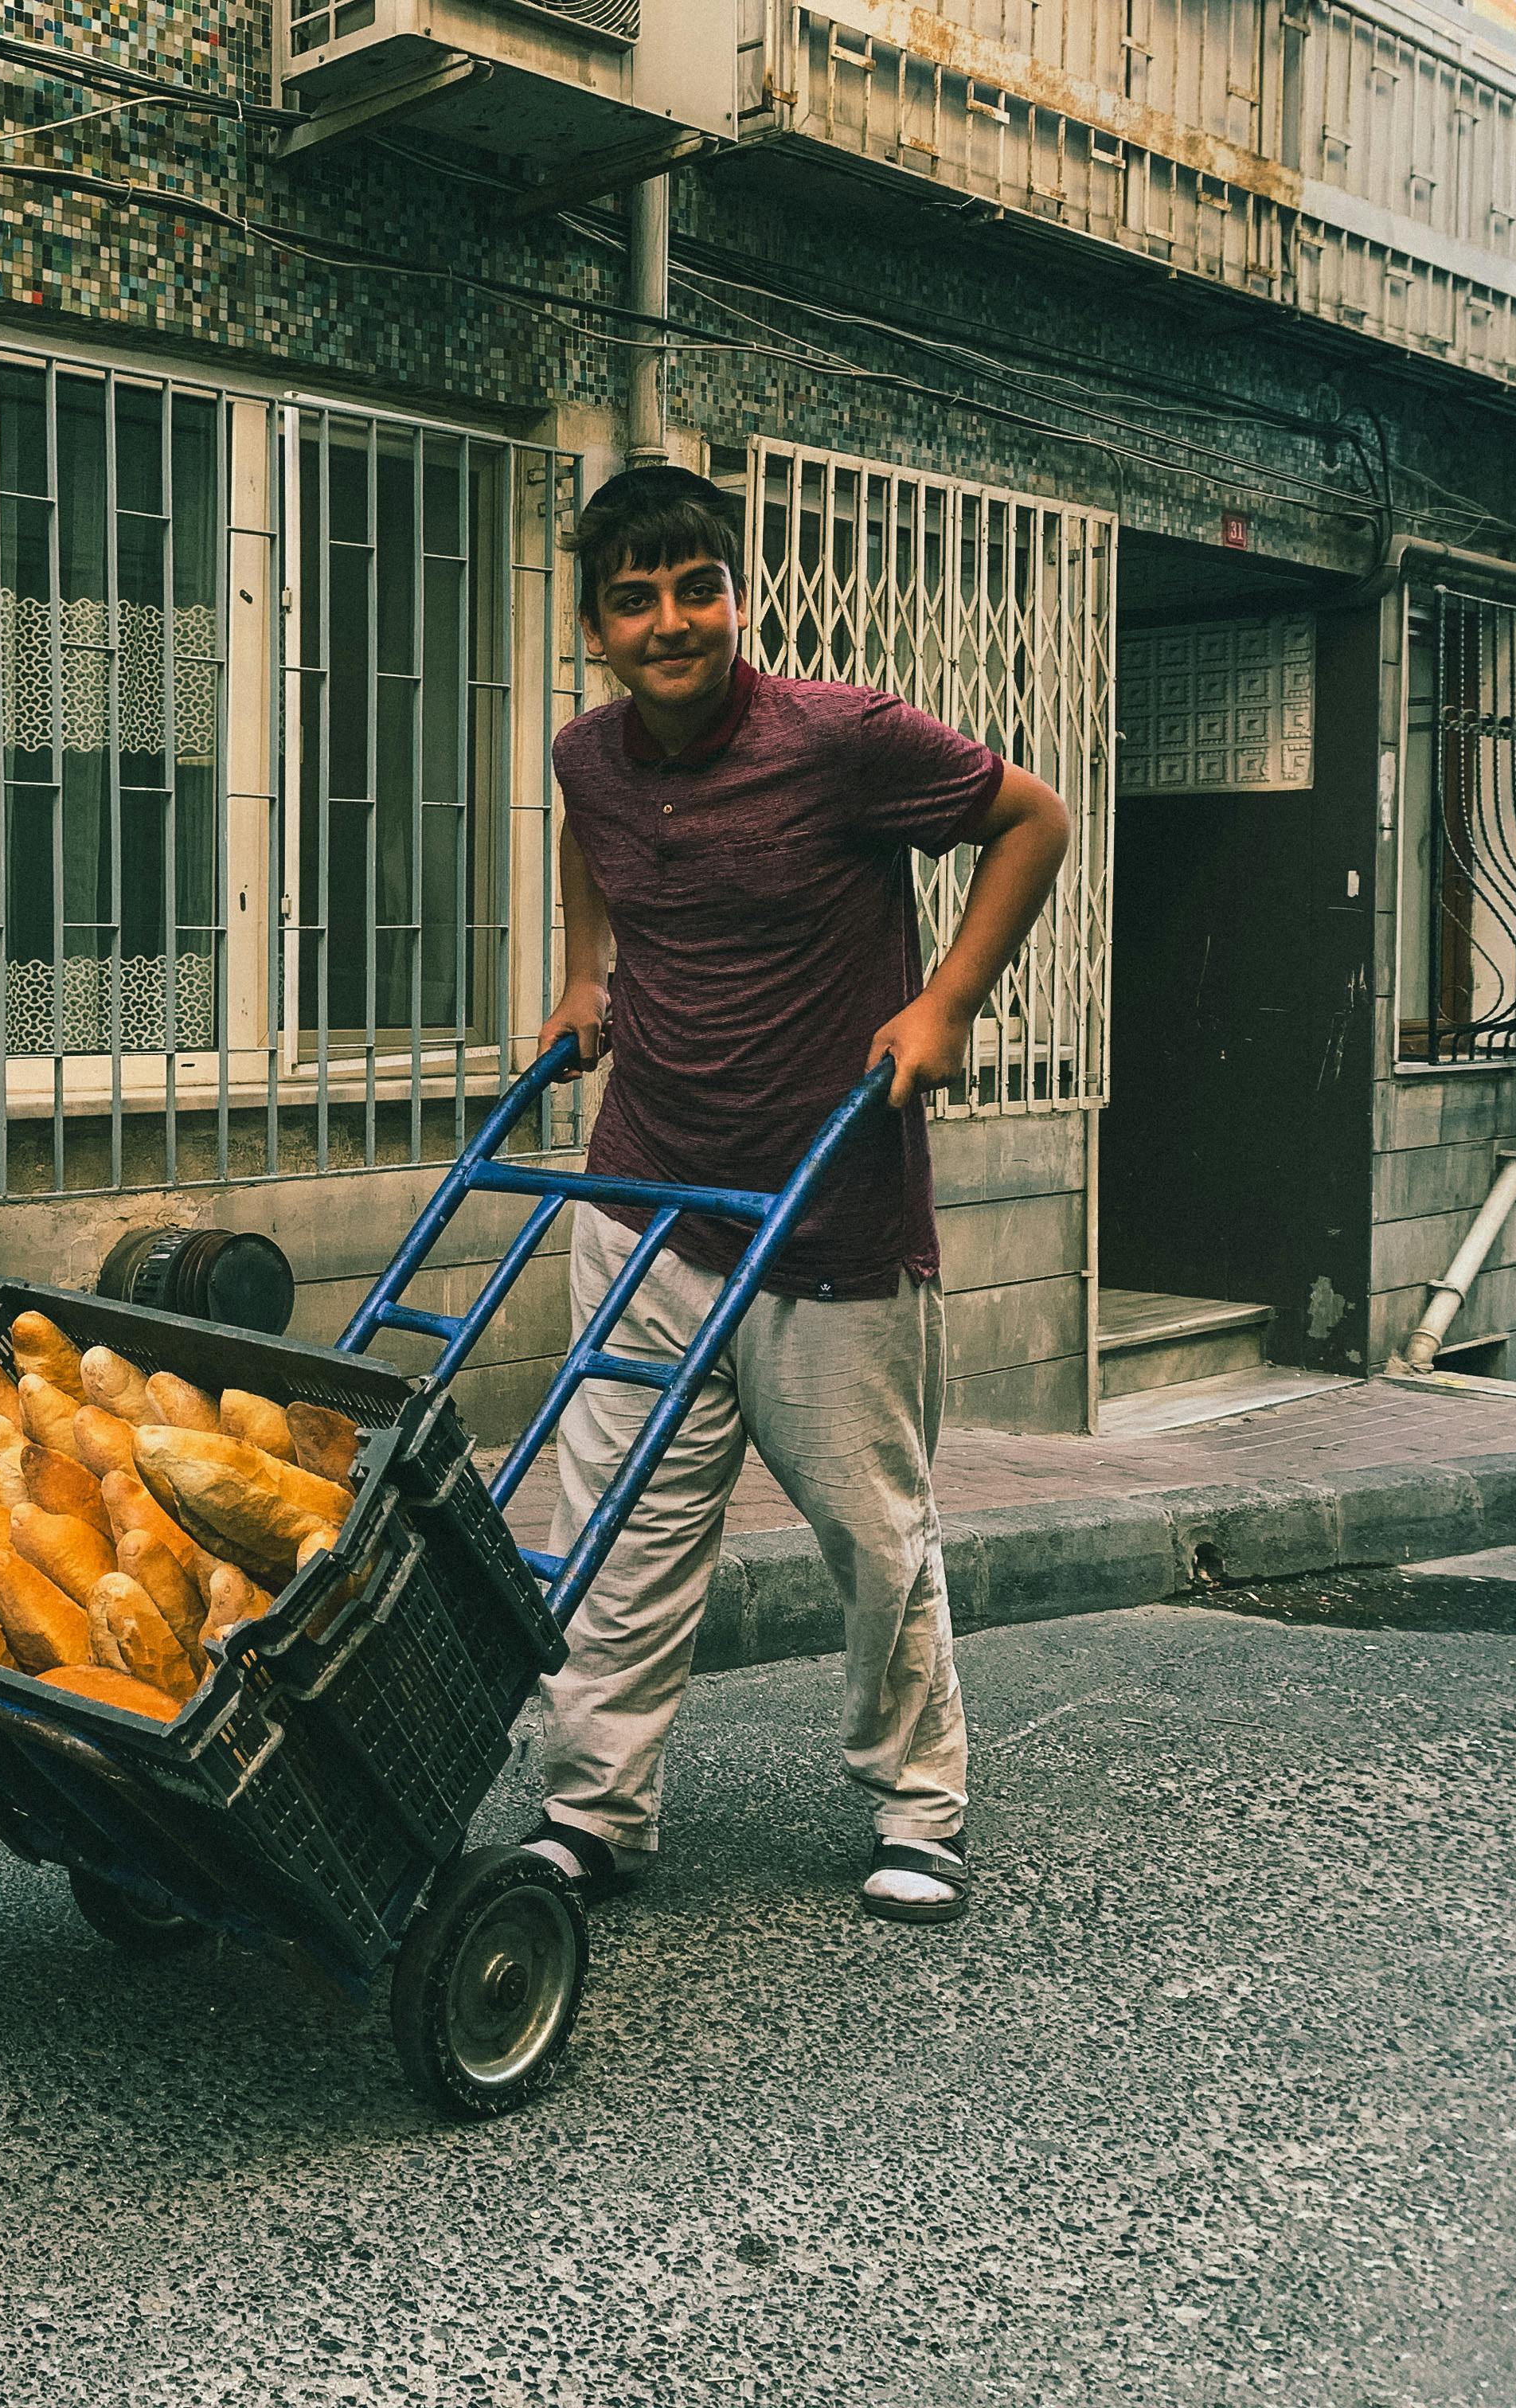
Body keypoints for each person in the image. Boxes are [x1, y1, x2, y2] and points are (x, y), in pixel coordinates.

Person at [518, 464, 1073, 1926]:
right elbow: (594, 836)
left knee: (875, 1538)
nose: (671, 621)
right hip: (646, 1202)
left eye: (696, 588)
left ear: (735, 597)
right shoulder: (588, 756)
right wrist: (586, 975)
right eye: (634, 600)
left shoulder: (841, 740)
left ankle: (919, 1805)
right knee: (621, 1531)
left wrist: (948, 1002)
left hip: (828, 1219)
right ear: (595, 629)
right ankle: (593, 1810)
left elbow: (1035, 821)